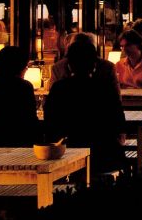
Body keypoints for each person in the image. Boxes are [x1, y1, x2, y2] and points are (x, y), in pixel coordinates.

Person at [42, 33, 125, 174]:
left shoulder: (59, 88)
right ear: (94, 64)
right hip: (104, 152)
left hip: (67, 150)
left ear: (69, 65)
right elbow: (118, 119)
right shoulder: (104, 87)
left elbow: (49, 119)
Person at [0, 45, 41, 148]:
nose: (26, 70)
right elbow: (30, 120)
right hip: (19, 142)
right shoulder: (24, 87)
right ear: (19, 66)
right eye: (26, 66)